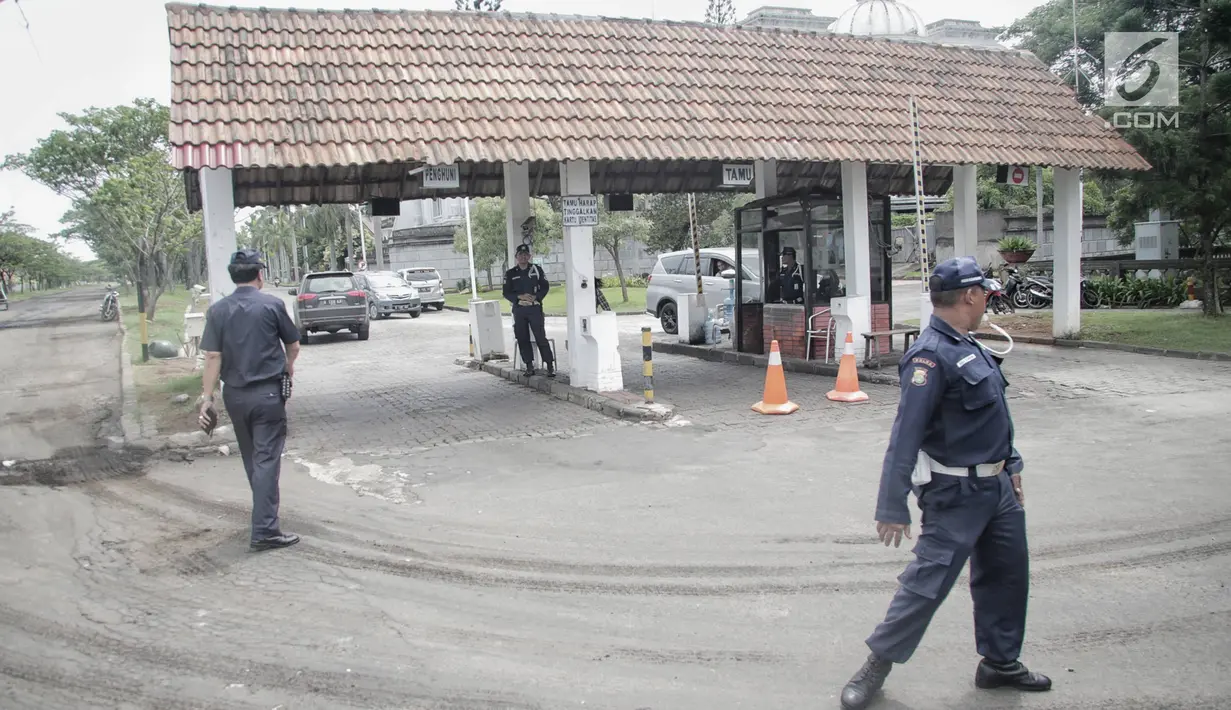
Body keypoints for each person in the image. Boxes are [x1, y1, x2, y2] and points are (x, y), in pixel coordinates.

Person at [839, 256, 1051, 710]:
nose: (988, 300)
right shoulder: (930, 356)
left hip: (997, 491)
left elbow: (997, 418)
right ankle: (877, 664)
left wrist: (1011, 466)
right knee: (925, 584)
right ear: (970, 296)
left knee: (1007, 577)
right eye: (986, 294)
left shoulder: (969, 345)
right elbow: (905, 436)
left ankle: (999, 662)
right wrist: (892, 505)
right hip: (955, 495)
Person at [198, 248, 302, 552]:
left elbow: (212, 356)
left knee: (252, 458)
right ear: (260, 274)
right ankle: (265, 531)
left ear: (234, 276)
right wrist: (287, 368)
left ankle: (263, 518)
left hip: (235, 396)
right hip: (268, 394)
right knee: (266, 459)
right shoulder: (272, 304)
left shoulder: (217, 311)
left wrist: (207, 398)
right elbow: (293, 345)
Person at [502, 244, 555, 377]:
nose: (523, 257)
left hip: (534, 308)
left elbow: (545, 286)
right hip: (519, 309)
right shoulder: (510, 274)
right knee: (522, 337)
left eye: (526, 255)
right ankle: (529, 366)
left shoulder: (536, 270)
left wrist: (536, 297)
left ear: (529, 256)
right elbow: (506, 292)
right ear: (516, 257)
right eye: (520, 255)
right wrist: (519, 297)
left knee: (540, 337)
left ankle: (549, 365)